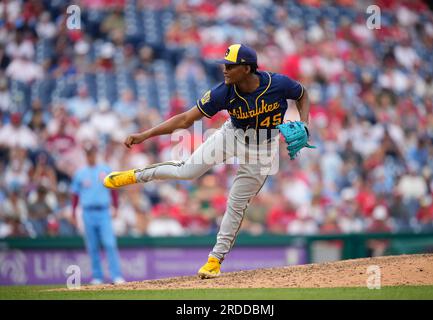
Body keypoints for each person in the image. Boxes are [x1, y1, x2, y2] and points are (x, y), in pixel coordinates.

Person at [103, 44, 311, 279]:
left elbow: (302, 94)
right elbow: (184, 120)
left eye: (230, 66)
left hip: (264, 149)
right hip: (232, 135)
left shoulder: (278, 84)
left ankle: (214, 261)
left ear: (246, 68)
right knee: (186, 171)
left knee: (236, 204)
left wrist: (303, 123)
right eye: (224, 65)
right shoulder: (223, 92)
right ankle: (135, 175)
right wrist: (145, 135)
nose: (224, 70)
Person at [71, 144, 125, 285]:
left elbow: (113, 190)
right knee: (92, 246)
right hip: (87, 212)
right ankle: (97, 276)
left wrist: (116, 207)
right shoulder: (80, 173)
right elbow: (75, 195)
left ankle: (116, 275)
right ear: (86, 155)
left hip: (103, 211)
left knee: (110, 243)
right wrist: (73, 213)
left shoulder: (105, 169)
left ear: (96, 154)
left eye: (92, 153)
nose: (91, 156)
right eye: (88, 154)